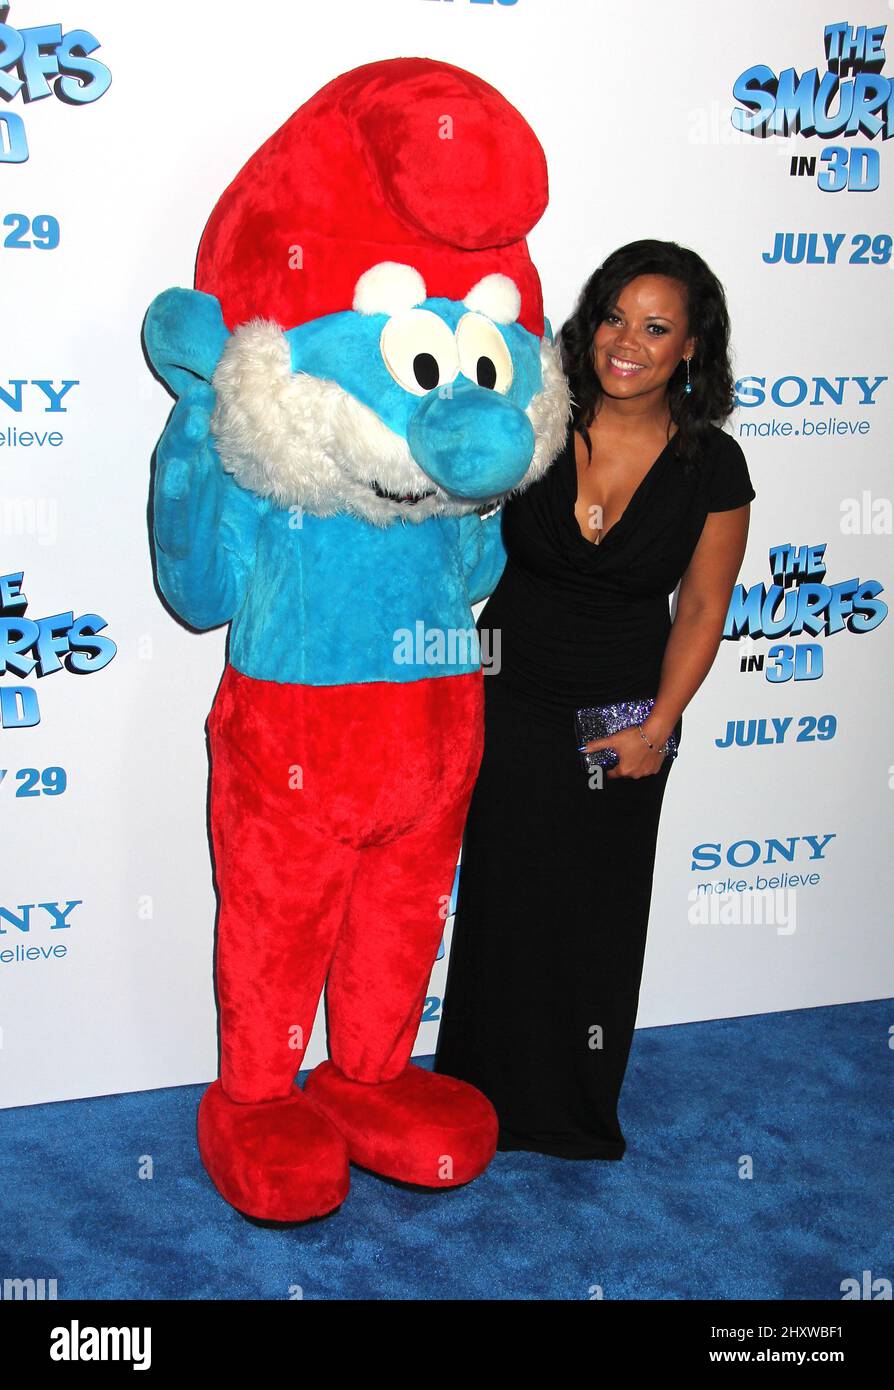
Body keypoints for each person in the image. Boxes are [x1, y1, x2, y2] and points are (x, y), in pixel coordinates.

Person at [434, 240, 755, 1160]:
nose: (629, 342)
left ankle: (570, 1111)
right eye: (616, 316)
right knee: (501, 897)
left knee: (597, 907)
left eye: (657, 327)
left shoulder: (713, 467)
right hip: (509, 689)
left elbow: (702, 604)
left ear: (692, 347)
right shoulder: (534, 421)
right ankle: (474, 1095)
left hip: (621, 706)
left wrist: (659, 723)